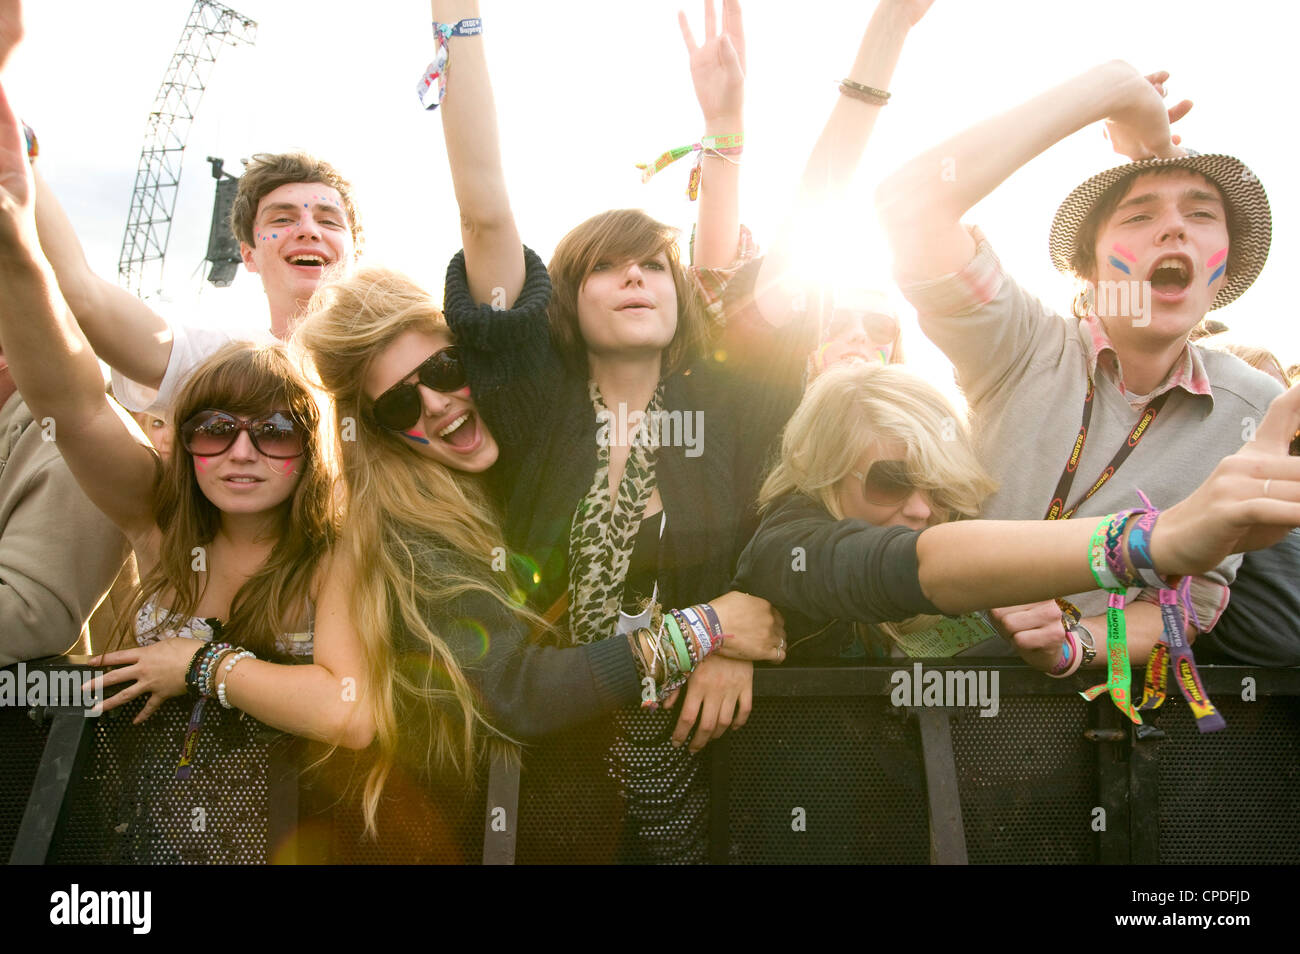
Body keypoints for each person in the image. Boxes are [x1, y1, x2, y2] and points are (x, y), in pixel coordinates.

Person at [431, 0, 799, 862]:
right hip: (547, 766)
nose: (635, 276)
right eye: (605, 267)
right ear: (562, 300)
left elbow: (783, 546)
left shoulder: (728, 409)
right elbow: (485, 213)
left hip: (716, 765)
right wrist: (457, 22)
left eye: (650, 266)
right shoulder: (534, 406)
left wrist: (730, 131)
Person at [293, 266, 782, 845]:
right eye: (399, 406)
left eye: (444, 369)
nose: (435, 403)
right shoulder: (413, 532)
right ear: (383, 434)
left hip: (657, 812)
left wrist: (737, 637)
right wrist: (705, 631)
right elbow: (513, 690)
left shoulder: (548, 453)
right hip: (521, 833)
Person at [877, 59, 1281, 667]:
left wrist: (1080, 644)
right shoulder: (1020, 342)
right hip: (934, 688)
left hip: (1083, 723)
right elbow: (909, 205)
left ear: (1220, 267)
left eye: (1201, 215)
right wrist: (1109, 90)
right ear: (1090, 269)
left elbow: (1187, 606)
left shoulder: (1254, 407)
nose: (1174, 228)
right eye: (1140, 216)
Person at [735, 359, 1300, 674]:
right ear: (823, 475)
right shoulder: (786, 547)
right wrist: (1155, 539)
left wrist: (1073, 641)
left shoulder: (974, 521)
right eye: (891, 481)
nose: (923, 507)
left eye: (939, 481)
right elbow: (903, 568)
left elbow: (1184, 617)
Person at [33, 149, 361, 413]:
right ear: (249, 256)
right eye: (283, 219)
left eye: (328, 220)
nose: (308, 229)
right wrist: (22, 154)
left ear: (356, 251)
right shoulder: (219, 360)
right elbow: (81, 294)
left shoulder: (404, 351)